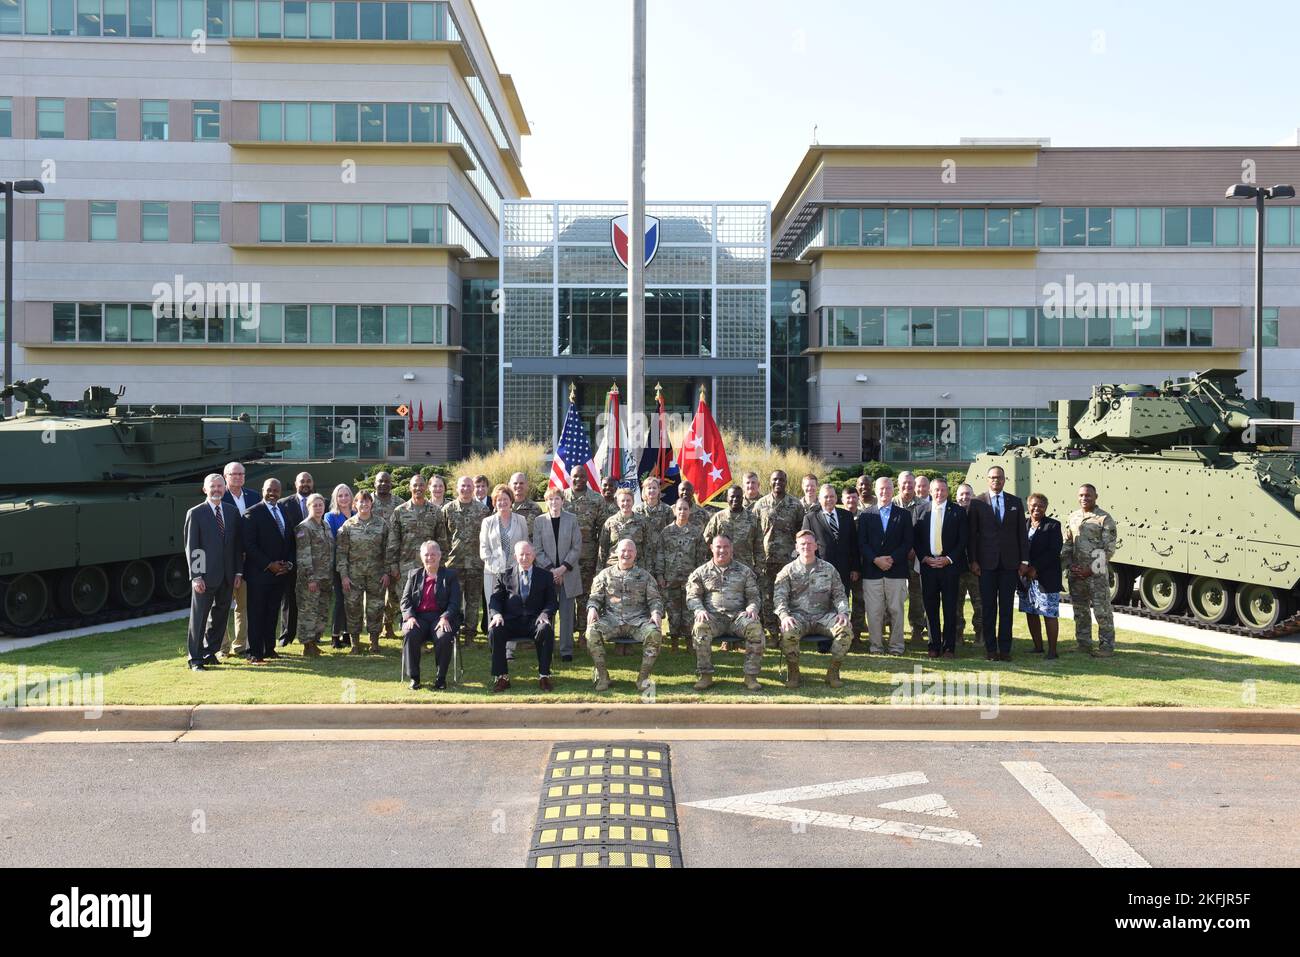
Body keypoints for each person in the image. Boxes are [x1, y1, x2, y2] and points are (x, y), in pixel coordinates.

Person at [774, 530, 853, 688]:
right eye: (802, 544)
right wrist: (784, 616)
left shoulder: (829, 569)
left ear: (816, 546)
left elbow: (839, 595)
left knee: (845, 630)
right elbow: (779, 597)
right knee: (788, 632)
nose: (806, 547)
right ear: (796, 547)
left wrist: (844, 613)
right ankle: (794, 672)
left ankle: (833, 672)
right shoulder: (787, 571)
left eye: (810, 543)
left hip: (823, 616)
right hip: (798, 617)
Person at [968, 465, 1031, 661]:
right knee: (988, 609)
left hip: (1009, 565)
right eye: (993, 478)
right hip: (986, 565)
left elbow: (1022, 534)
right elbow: (972, 536)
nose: (996, 481)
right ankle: (990, 649)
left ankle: (1005, 650)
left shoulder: (1015, 502)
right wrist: (973, 561)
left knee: (1006, 609)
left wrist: (1024, 561)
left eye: (999, 478)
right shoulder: (977, 502)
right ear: (988, 480)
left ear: (1004, 480)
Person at [686, 534, 764, 691]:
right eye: (718, 547)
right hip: (713, 618)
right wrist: (699, 609)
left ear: (732, 549)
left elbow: (754, 596)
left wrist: (752, 608)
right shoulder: (701, 572)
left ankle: (751, 677)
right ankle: (705, 676)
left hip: (738, 618)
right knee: (700, 627)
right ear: (712, 548)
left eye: (726, 547)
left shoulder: (744, 571)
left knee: (755, 628)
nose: (722, 550)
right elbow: (692, 597)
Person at [585, 539, 664, 692]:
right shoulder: (605, 575)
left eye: (630, 551)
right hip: (611, 621)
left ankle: (643, 678)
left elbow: (655, 600)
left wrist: (656, 613)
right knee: (591, 632)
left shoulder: (645, 576)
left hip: (637, 621)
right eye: (623, 551)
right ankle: (603, 676)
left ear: (635, 554)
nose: (626, 554)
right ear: (616, 553)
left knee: (654, 634)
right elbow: (594, 597)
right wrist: (592, 608)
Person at [183, 473, 243, 670]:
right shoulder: (196, 513)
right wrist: (196, 576)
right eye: (213, 486)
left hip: (227, 576)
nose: (217, 490)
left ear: (224, 488)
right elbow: (194, 547)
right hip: (205, 577)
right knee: (199, 618)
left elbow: (235, 546)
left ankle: (210, 652)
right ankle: (195, 659)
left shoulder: (232, 512)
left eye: (220, 486)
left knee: (219, 616)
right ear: (205, 489)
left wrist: (238, 573)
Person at [488, 541, 559, 692]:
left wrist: (545, 613)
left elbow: (552, 601)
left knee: (545, 629)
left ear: (534, 556)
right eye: (521, 554)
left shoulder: (545, 576)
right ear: (515, 556)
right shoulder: (504, 575)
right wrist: (497, 614)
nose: (525, 558)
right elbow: (495, 599)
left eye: (528, 554)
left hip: (535, 621)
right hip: (511, 621)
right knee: (495, 630)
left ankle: (544, 676)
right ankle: (502, 677)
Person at [241, 477, 296, 663]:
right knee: (257, 613)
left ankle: (269, 649)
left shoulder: (283, 510)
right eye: (269, 490)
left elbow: (288, 539)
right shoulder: (252, 513)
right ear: (262, 490)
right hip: (259, 574)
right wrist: (269, 564)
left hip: (280, 574)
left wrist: (287, 563)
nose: (272, 493)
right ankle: (254, 652)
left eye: (276, 490)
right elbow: (249, 545)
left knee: (272, 613)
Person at [801, 483, 860, 653]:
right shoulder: (811, 517)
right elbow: (806, 546)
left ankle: (842, 640)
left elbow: (853, 544)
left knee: (842, 604)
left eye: (832, 496)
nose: (829, 500)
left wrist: (855, 567)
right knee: (824, 606)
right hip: (820, 571)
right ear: (819, 499)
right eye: (825, 497)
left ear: (837, 498)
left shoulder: (846, 516)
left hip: (844, 569)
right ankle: (824, 642)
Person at [1062, 484, 1118, 658]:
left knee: (1102, 612)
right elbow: (1067, 544)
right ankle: (1083, 644)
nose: (1084, 498)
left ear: (1095, 497)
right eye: (1081, 495)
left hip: (1096, 575)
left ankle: (1106, 647)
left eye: (1088, 495)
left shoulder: (1104, 519)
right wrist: (1070, 565)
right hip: (1076, 574)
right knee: (1080, 611)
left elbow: (1108, 550)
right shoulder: (1073, 517)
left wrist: (1090, 570)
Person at [914, 477, 967, 659]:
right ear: (930, 490)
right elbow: (916, 539)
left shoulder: (958, 512)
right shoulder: (920, 511)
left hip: (949, 568)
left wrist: (949, 559)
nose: (939, 493)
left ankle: (949, 647)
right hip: (928, 568)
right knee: (930, 608)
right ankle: (934, 645)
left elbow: (963, 540)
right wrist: (925, 558)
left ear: (947, 491)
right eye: (936, 490)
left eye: (943, 490)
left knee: (950, 608)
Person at [860, 476, 911, 655]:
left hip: (896, 571)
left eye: (888, 488)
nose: (884, 492)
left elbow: (907, 542)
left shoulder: (904, 514)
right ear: (876, 490)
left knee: (896, 611)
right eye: (881, 488)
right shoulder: (866, 514)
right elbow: (862, 543)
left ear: (893, 490)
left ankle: (896, 646)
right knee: (874, 612)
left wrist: (891, 559)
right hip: (872, 571)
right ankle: (876, 647)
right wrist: (876, 560)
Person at [479, 484, 531, 659]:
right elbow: (484, 549)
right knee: (492, 606)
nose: (502, 503)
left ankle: (509, 649)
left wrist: (516, 566)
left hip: (514, 573)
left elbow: (525, 546)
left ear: (511, 501)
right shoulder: (488, 522)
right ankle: (495, 645)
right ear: (494, 502)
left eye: (505, 499)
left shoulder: (521, 521)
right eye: (499, 500)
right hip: (492, 572)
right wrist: (496, 567)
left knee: (512, 607)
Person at [401, 541, 461, 690]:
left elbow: (455, 602)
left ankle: (440, 679)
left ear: (440, 556)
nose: (430, 558)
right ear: (421, 557)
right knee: (409, 633)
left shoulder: (450, 575)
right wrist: (410, 616)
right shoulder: (414, 575)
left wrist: (445, 616)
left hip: (440, 617)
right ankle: (414, 678)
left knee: (444, 635)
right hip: (418, 617)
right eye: (426, 555)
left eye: (433, 554)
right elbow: (405, 600)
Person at [753, 470, 805, 643]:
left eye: (781, 480)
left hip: (787, 561)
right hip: (765, 561)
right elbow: (754, 532)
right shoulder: (760, 504)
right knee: (766, 597)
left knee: (785, 597)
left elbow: (801, 532)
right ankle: (772, 633)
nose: (778, 483)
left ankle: (786, 631)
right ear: (770, 482)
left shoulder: (795, 505)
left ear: (786, 482)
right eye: (774, 479)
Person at [337, 490, 391, 654]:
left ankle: (374, 642)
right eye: (361, 501)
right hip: (354, 575)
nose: (364, 504)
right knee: (353, 608)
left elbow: (388, 550)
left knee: (375, 608)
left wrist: (387, 572)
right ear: (355, 504)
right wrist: (344, 575)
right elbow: (341, 553)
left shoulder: (382, 524)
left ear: (371, 504)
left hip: (376, 574)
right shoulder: (348, 526)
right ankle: (355, 644)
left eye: (367, 501)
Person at [386, 475, 447, 621]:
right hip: (406, 566)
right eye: (415, 485)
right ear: (410, 487)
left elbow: (442, 541)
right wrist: (393, 566)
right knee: (407, 602)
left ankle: (423, 635)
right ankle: (409, 633)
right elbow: (393, 541)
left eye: (421, 485)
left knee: (426, 600)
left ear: (426, 487)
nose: (418, 488)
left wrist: (442, 565)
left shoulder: (435, 511)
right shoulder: (399, 512)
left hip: (429, 566)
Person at [532, 487, 583, 661]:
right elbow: (537, 550)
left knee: (567, 614)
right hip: (547, 575)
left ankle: (566, 650)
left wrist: (562, 569)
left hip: (568, 573)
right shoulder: (539, 521)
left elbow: (576, 547)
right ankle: (547, 647)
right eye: (550, 499)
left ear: (563, 501)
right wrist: (552, 571)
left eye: (557, 499)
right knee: (547, 612)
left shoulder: (572, 519)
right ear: (546, 502)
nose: (554, 503)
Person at [653, 499, 707, 653]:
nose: (682, 512)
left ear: (690, 511)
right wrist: (660, 575)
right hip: (671, 578)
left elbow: (701, 557)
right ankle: (675, 642)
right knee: (674, 612)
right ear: (674, 511)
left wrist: (699, 579)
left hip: (690, 578)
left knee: (690, 611)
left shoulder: (696, 532)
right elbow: (660, 555)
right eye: (679, 509)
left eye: (685, 509)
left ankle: (690, 641)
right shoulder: (666, 532)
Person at [442, 476, 489, 646]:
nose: (467, 489)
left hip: (476, 564)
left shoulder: (483, 510)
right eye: (463, 486)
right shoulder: (448, 509)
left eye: (470, 486)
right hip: (454, 564)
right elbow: (443, 537)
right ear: (457, 488)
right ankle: (453, 634)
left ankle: (470, 636)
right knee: (453, 601)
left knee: (473, 602)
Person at [219, 460, 258, 660]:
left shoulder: (253, 496)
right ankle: (223, 647)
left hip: (247, 561)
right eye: (234, 474)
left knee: (243, 606)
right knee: (222, 606)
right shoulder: (219, 497)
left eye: (241, 474)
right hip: (225, 561)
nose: (238, 477)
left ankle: (240, 645)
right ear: (226, 477)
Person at [563, 466, 607, 635]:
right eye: (575, 476)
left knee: (585, 595)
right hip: (565, 556)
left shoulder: (597, 499)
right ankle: (567, 631)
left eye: (582, 476)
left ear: (587, 478)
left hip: (588, 554)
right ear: (570, 478)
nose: (578, 479)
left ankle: (583, 631)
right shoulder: (562, 497)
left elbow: (603, 530)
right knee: (567, 596)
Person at [1021, 492, 1064, 659]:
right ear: (1028, 506)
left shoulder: (1053, 526)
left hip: (1046, 578)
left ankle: (1052, 651)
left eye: (1040, 505)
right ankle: (1037, 647)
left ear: (1046, 508)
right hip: (1026, 579)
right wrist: (1023, 567)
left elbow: (1054, 551)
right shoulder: (1023, 525)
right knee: (1030, 612)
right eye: (1033, 505)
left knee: (1049, 613)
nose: (1036, 508)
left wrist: (1035, 568)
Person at [292, 492, 333, 657]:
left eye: (320, 505)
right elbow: (303, 555)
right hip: (311, 579)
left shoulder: (325, 525)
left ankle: (315, 641)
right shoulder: (304, 527)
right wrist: (310, 578)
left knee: (322, 610)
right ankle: (307, 644)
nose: (318, 508)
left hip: (325, 577)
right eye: (314, 505)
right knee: (308, 611)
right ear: (308, 507)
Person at [276, 471, 314, 648]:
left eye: (308, 481)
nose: (305, 484)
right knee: (289, 599)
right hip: (291, 559)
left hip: (315, 560)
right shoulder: (283, 504)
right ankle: (287, 634)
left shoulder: (321, 502)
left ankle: (313, 635)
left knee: (313, 598)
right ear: (295, 483)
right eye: (302, 481)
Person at [892, 471, 928, 646]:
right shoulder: (891, 504)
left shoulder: (923, 504)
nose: (908, 486)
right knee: (893, 595)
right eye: (904, 483)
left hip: (916, 557)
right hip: (895, 557)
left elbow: (925, 531)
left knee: (917, 595)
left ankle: (917, 629)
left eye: (910, 483)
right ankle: (892, 628)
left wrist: (915, 548)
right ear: (899, 484)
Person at [702, 485, 762, 570]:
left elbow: (759, 547)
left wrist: (758, 569)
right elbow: (706, 542)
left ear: (742, 498)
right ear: (727, 498)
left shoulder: (752, 519)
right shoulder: (718, 518)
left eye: (738, 496)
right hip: (721, 570)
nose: (735, 499)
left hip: (745, 570)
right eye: (732, 496)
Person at [371, 471, 400, 640]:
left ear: (391, 484)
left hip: (394, 556)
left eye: (387, 481)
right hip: (374, 558)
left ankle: (388, 626)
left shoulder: (398, 503)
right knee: (376, 596)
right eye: (380, 481)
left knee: (394, 595)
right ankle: (374, 631)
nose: (383, 484)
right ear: (374, 483)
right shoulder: (368, 502)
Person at [954, 484, 984, 644]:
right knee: (955, 604)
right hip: (956, 568)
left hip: (976, 568)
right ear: (956, 497)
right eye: (961, 495)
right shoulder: (951, 514)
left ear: (973, 496)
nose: (964, 497)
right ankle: (957, 634)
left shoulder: (980, 515)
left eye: (968, 494)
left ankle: (980, 633)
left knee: (980, 603)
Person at [326, 484, 356, 649]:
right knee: (340, 600)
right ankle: (335, 635)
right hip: (338, 565)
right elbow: (332, 542)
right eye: (340, 496)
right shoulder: (330, 517)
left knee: (351, 600)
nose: (344, 498)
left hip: (355, 565)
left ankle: (347, 634)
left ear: (351, 497)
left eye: (346, 495)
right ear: (335, 499)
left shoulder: (356, 514)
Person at [597, 487, 652, 568]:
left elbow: (648, 548)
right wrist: (599, 571)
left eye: (628, 500)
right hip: (613, 567)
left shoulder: (642, 522)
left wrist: (649, 571)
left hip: (637, 568)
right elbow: (603, 549)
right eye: (622, 501)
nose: (625, 503)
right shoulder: (610, 522)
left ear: (633, 502)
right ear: (618, 503)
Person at [842, 485, 868, 647]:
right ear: (842, 500)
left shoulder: (865, 517)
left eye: (853, 497)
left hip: (861, 566)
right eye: (848, 498)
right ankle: (842, 633)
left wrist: (857, 568)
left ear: (858, 498)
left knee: (859, 602)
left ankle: (856, 634)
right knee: (841, 602)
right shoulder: (838, 516)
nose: (851, 500)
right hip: (842, 567)